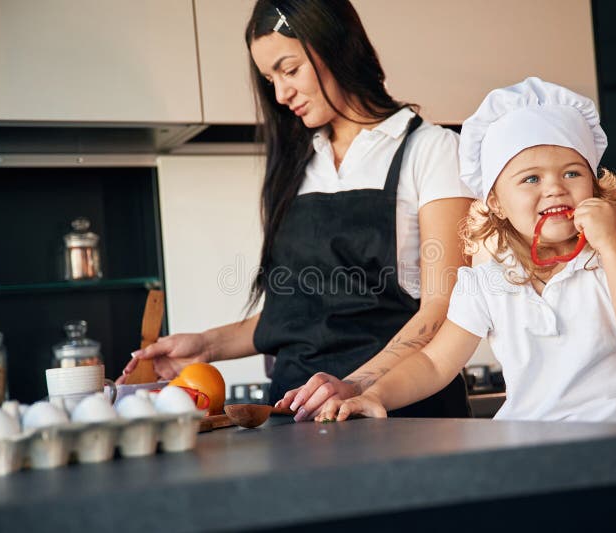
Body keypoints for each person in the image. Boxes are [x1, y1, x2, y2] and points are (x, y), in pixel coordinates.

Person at [119, 0, 474, 421]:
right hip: (296, 416)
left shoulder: (431, 150)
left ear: (339, 47)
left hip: (404, 413)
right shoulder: (300, 163)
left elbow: (443, 305)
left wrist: (358, 385)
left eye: (289, 70)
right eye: (270, 79)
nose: (281, 94)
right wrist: (206, 346)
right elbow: (298, 313)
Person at [315, 78, 616, 424]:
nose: (554, 188)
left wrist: (610, 244)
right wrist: (378, 395)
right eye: (531, 179)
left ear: (594, 187)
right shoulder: (487, 281)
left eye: (572, 174)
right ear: (497, 203)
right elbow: (435, 363)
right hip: (530, 454)